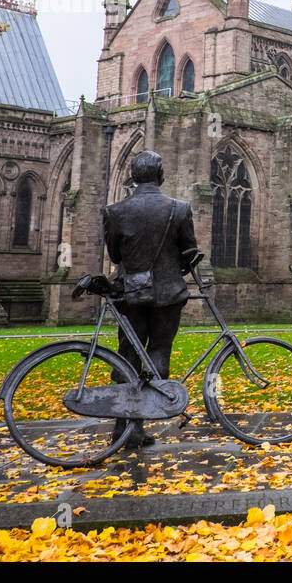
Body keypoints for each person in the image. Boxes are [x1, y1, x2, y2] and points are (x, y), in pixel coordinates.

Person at [101, 150, 199, 450]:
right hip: (168, 295)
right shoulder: (179, 209)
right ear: (161, 175)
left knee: (127, 355)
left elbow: (115, 256)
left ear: (132, 175)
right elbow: (189, 251)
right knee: (158, 352)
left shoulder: (114, 212)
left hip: (131, 293)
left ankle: (124, 428)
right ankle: (139, 423)